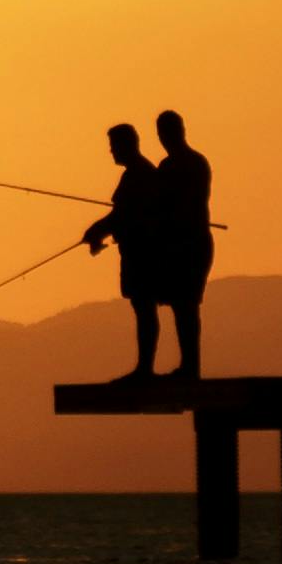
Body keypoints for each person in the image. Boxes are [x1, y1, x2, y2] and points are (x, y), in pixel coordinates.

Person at [80, 119, 186, 381]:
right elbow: (122, 215)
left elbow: (122, 215)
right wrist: (98, 231)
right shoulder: (139, 173)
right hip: (139, 252)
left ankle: (144, 369)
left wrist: (95, 231)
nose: (111, 151)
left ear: (127, 145)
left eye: (114, 145)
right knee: (143, 306)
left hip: (144, 254)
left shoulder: (139, 174)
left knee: (145, 307)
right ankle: (144, 367)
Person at [150, 107, 216, 377]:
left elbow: (181, 203)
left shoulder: (193, 163)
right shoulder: (174, 165)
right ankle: (189, 364)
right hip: (179, 243)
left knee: (187, 304)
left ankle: (191, 366)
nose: (164, 138)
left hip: (191, 243)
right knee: (180, 305)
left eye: (167, 132)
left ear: (179, 132)